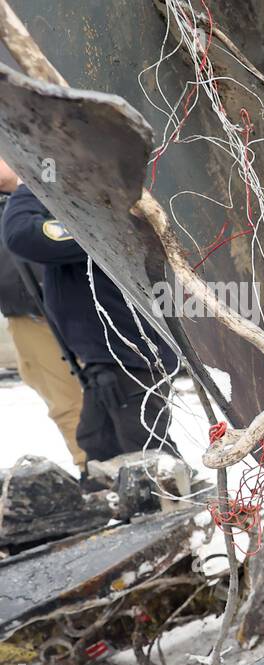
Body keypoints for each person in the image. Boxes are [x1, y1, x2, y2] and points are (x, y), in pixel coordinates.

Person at [1, 176, 180, 463]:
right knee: (97, 443)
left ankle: (174, 501)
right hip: (108, 359)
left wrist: (29, 185)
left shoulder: (103, 223)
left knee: (147, 452)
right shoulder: (90, 218)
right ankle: (123, 498)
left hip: (128, 358)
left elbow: (22, 234)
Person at [0, 160, 86, 470]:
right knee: (65, 403)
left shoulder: (51, 184)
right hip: (27, 319)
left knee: (113, 388)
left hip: (80, 308)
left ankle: (150, 466)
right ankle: (91, 467)